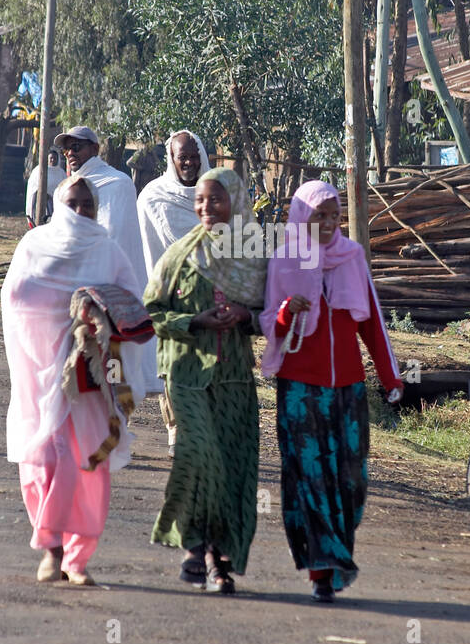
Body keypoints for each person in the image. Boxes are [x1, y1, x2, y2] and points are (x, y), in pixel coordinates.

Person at [261, 181, 404, 604]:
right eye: (319, 214)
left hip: (348, 390)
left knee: (351, 480)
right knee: (311, 479)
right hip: (299, 389)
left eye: (333, 213)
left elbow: (372, 320)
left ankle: (335, 555)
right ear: (302, 217)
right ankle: (323, 570)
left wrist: (391, 376)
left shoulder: (353, 256)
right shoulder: (284, 259)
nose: (327, 222)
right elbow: (270, 321)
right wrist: (288, 311)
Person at [2, 175, 147, 586]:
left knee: (84, 461)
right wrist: (59, 314)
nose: (81, 210)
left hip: (90, 378)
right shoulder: (33, 245)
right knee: (44, 458)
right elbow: (14, 300)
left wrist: (96, 315)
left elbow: (131, 306)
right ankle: (50, 548)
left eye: (88, 203)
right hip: (43, 374)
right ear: (58, 204)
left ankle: (76, 559)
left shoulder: (108, 251)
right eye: (74, 202)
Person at [145, 167, 266, 594]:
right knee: (199, 458)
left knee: (232, 468)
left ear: (235, 201)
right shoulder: (178, 256)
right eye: (199, 200)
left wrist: (246, 317)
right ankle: (193, 545)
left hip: (234, 381)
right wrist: (194, 320)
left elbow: (273, 311)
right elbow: (153, 312)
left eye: (215, 199)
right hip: (186, 377)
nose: (205, 208)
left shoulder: (254, 257)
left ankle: (218, 557)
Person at [55, 124, 156, 397]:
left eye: (77, 147)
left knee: (111, 376)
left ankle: (115, 427)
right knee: (76, 373)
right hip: (71, 291)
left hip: (108, 294)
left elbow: (115, 239)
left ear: (95, 149)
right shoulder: (64, 188)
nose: (70, 153)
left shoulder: (118, 183)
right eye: (66, 149)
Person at [136, 130, 211, 451]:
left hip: (211, 296)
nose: (190, 163)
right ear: (172, 160)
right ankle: (176, 429)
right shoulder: (154, 197)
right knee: (173, 365)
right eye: (184, 158)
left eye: (195, 156)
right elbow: (146, 249)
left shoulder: (219, 193)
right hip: (170, 298)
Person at [24, 148, 66, 229]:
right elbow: (32, 188)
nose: (53, 160)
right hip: (39, 203)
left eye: (55, 158)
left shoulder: (61, 173)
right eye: (51, 158)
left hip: (56, 205)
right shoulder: (38, 170)